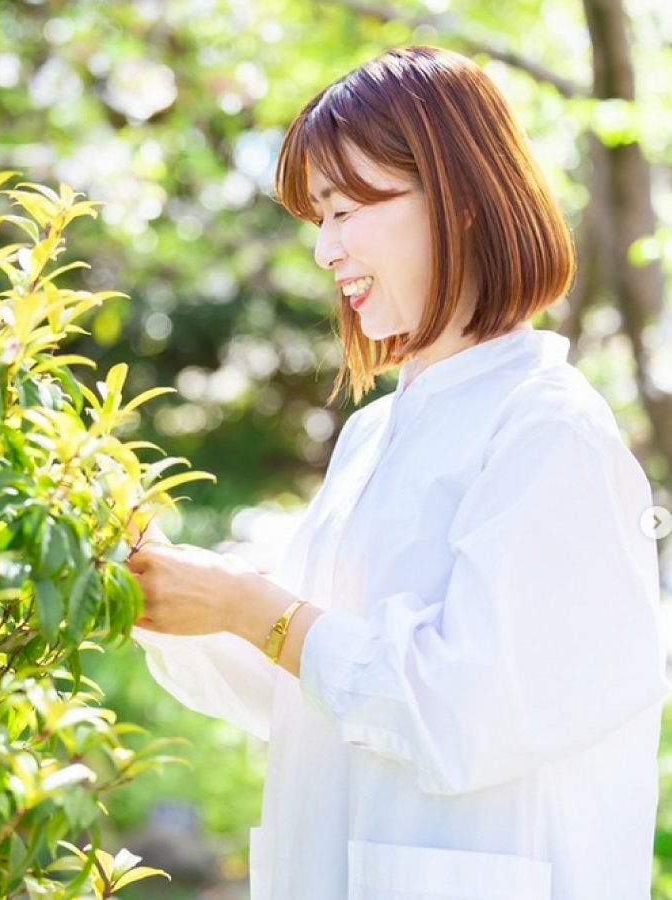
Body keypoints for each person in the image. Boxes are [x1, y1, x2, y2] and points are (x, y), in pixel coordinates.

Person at [126, 46, 669, 900]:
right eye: (319, 219)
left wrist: (250, 606)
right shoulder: (376, 434)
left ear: (456, 199)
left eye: (344, 209)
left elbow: (468, 711)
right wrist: (159, 588)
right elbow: (312, 692)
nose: (324, 250)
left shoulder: (550, 430)